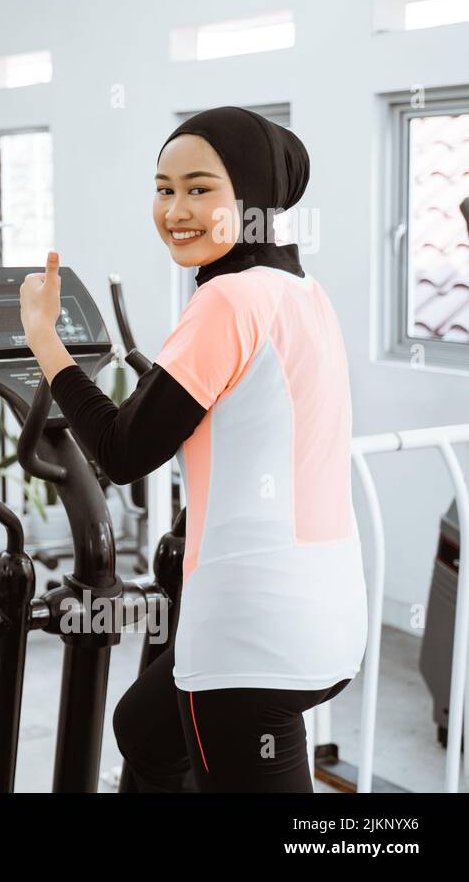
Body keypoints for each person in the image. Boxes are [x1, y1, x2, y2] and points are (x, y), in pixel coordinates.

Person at [19, 106, 367, 792]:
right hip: (327, 616)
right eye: (164, 187)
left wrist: (45, 342)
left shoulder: (227, 301)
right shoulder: (304, 292)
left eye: (200, 189)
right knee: (144, 732)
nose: (175, 209)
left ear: (253, 199)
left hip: (250, 639)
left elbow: (121, 452)